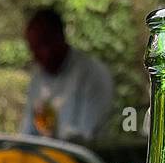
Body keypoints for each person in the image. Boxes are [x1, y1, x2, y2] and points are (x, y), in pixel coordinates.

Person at [21, 7, 113, 143]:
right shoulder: (38, 78)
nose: (36, 56)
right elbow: (28, 134)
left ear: (59, 37)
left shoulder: (93, 74)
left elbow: (86, 140)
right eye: (32, 49)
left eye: (41, 46)